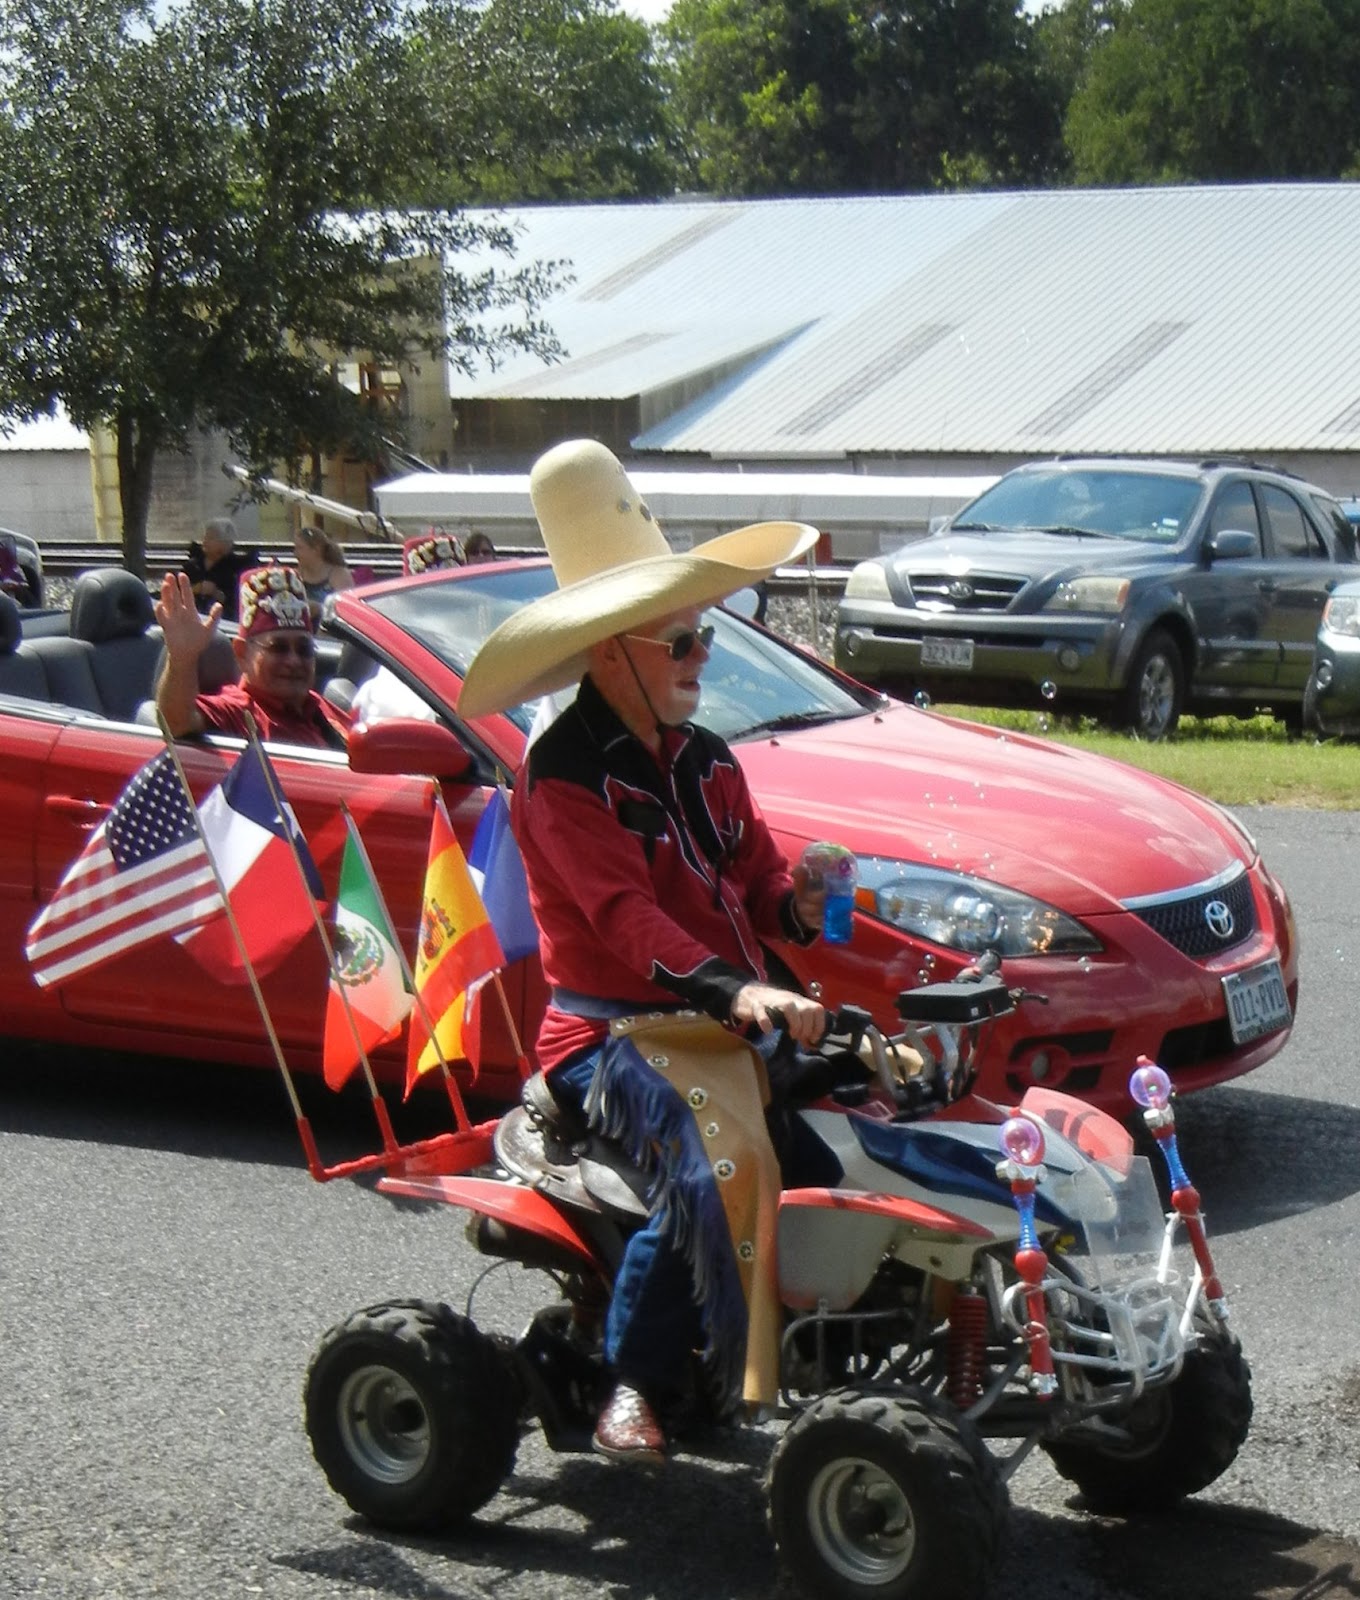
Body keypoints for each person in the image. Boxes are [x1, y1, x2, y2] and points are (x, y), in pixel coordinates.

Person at [458, 439, 827, 1466]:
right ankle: (634, 1383)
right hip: (607, 1031)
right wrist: (743, 989)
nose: (700, 658)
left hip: (717, 1018)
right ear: (612, 648)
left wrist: (793, 903)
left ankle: (804, 1347)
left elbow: (752, 880)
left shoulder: (708, 761)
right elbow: (628, 927)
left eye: (702, 638)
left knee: (870, 1126)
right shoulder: (561, 776)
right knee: (721, 1160)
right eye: (682, 642)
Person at [154, 566, 350, 748]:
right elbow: (176, 722)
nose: (294, 661)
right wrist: (182, 659)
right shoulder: (238, 711)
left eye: (304, 649)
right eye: (278, 648)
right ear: (241, 653)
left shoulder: (318, 706)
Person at [181, 518, 260, 622]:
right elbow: (176, 593)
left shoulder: (235, 569)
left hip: (223, 622)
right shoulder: (192, 565)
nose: (204, 541)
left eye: (211, 538)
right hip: (189, 620)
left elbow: (240, 602)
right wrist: (195, 589)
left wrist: (216, 593)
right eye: (205, 536)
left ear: (224, 544)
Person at [292, 518, 354, 613]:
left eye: (300, 548)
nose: (295, 553)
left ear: (316, 550)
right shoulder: (296, 575)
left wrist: (318, 608)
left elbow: (348, 609)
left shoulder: (338, 575)